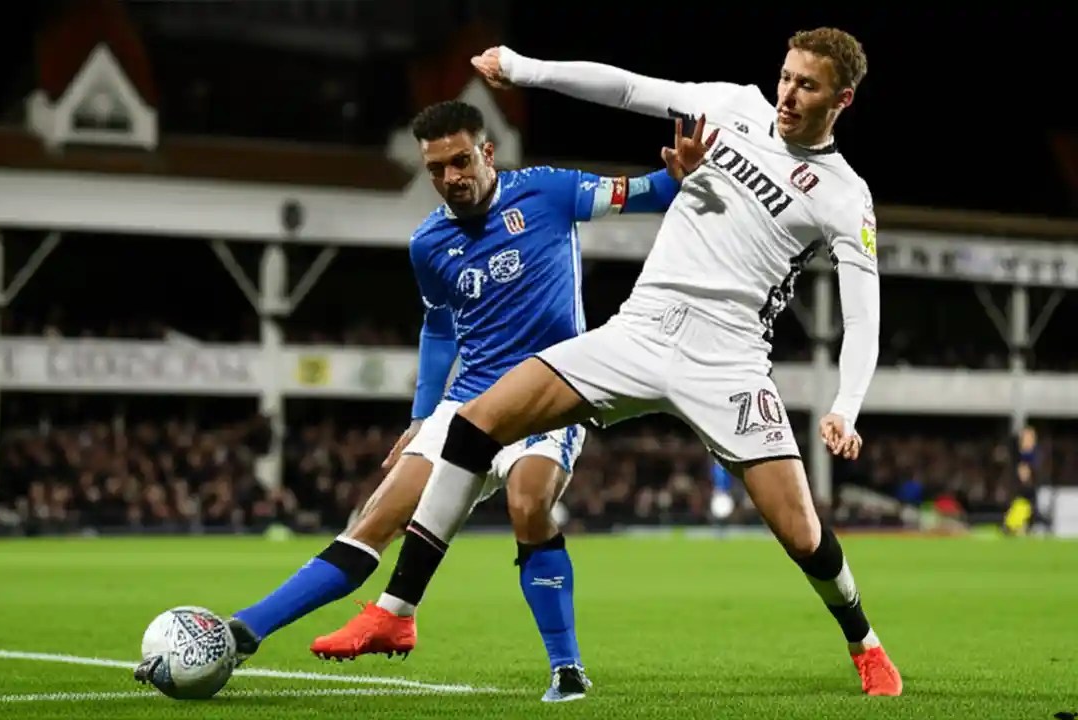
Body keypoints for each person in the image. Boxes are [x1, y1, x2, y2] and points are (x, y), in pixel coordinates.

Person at [363, 27, 903, 697]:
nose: (787, 94)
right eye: (786, 77)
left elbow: (864, 316)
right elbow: (626, 88)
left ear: (842, 99)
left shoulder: (844, 195)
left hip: (727, 363)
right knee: (476, 419)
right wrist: (525, 68)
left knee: (802, 535)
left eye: (808, 86)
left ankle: (864, 641)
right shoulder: (735, 106)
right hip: (639, 331)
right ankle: (397, 610)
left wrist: (846, 407)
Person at [215, 99, 713, 703]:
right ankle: (244, 632)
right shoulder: (428, 243)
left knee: (529, 503)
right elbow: (439, 329)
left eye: (460, 161)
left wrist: (680, 173)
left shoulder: (549, 192)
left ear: (487, 153)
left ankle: (566, 668)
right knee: (375, 520)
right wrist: (420, 417)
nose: (450, 177)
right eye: (436, 169)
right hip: (467, 400)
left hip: (550, 392)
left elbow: (645, 193)